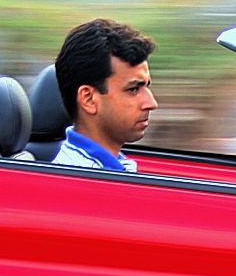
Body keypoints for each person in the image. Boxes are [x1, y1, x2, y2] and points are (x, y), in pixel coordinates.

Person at [51, 18, 157, 171]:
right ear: (88, 99)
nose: (152, 103)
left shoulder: (115, 166)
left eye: (147, 87)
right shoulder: (83, 182)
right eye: (133, 89)